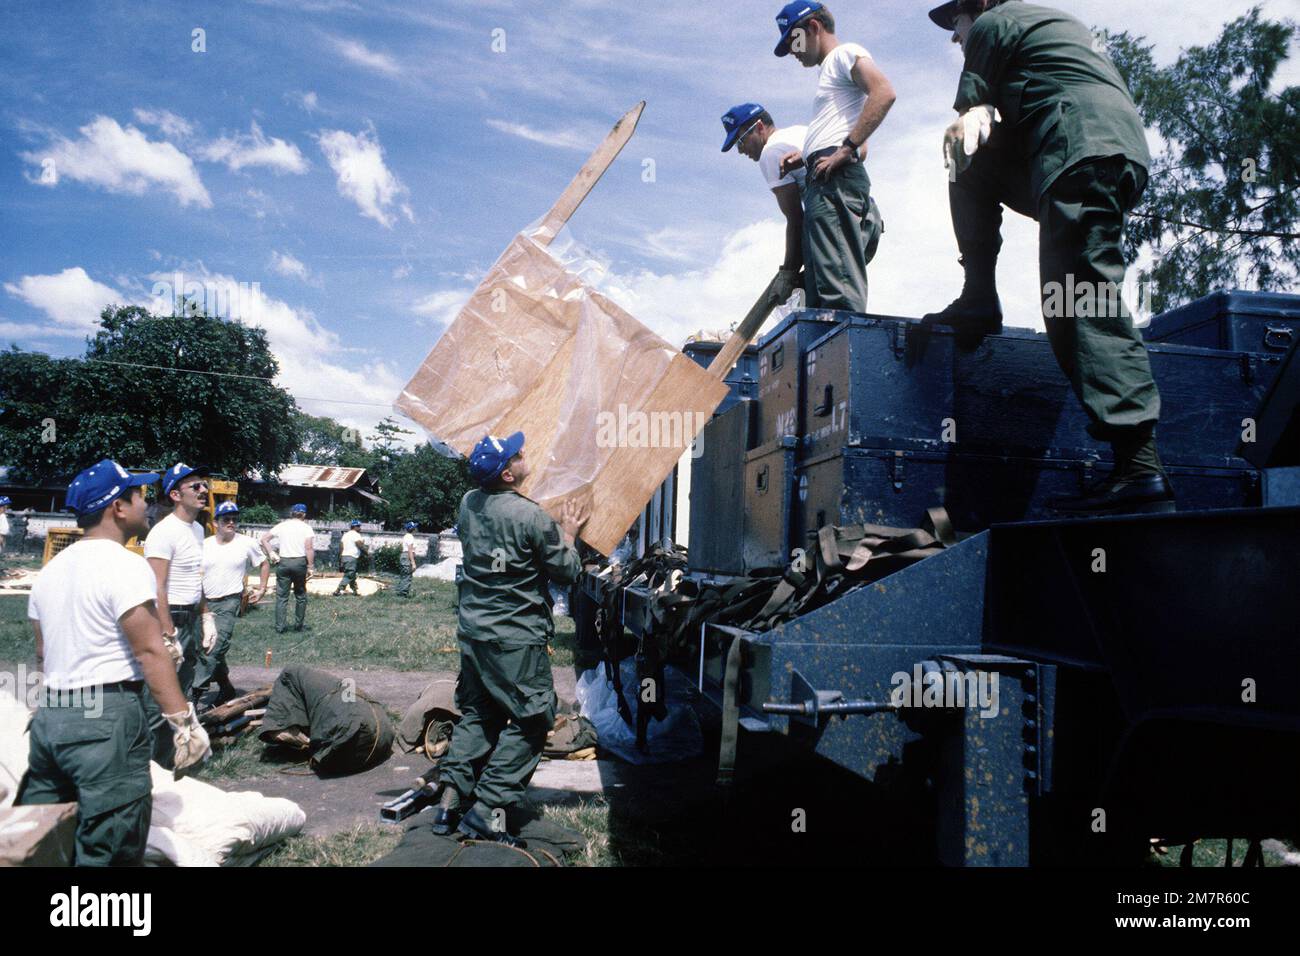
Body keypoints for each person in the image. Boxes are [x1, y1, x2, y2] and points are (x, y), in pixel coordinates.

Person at [924, 0, 1172, 515]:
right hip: (1098, 150)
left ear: (980, 7)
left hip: (1079, 152)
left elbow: (971, 110)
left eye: (957, 23)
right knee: (970, 167)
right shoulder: (1048, 28)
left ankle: (1139, 469)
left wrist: (968, 113)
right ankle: (978, 299)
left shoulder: (997, 21)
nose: (955, 37)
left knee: (1077, 303)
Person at [18, 460, 209, 865]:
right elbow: (148, 650)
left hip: (51, 715)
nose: (146, 504)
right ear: (117, 508)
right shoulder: (125, 565)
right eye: (138, 496)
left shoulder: (49, 572)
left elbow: (41, 655)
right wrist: (182, 721)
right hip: (104, 721)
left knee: (43, 842)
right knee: (110, 847)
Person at [430, 431, 587, 846]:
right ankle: (488, 809)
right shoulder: (531, 517)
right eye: (518, 455)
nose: (524, 455)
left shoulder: (468, 503)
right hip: (515, 637)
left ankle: (449, 800)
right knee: (534, 719)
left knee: (480, 714)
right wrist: (568, 534)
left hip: (474, 632)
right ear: (507, 474)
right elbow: (567, 572)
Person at [772, 1, 895, 312]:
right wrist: (806, 155)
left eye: (794, 41)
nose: (793, 52)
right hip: (821, 177)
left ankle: (843, 351)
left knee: (837, 285)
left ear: (813, 27)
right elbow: (849, 125)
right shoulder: (829, 72)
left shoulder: (844, 54)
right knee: (820, 285)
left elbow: (883, 91)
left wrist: (846, 149)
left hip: (834, 180)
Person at [143, 463, 207, 756]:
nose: (204, 490)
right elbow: (157, 586)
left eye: (203, 484)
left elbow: (198, 575)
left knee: (184, 685)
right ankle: (149, 759)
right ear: (175, 495)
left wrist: (207, 616)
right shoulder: (163, 532)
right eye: (195, 486)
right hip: (173, 619)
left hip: (191, 617)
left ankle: (176, 753)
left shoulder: (197, 528)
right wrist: (168, 635)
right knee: (160, 692)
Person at [721, 103, 808, 304]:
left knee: (825, 305)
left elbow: (796, 220)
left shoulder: (770, 153)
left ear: (759, 127)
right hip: (863, 219)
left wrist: (787, 274)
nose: (741, 151)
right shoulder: (799, 131)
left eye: (741, 141)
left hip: (836, 226)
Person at [195, 501, 268, 705]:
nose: (231, 522)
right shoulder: (204, 545)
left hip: (229, 601)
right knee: (203, 647)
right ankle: (226, 687)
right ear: (215, 522)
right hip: (204, 604)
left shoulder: (246, 543)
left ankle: (194, 694)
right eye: (226, 519)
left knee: (214, 647)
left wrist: (262, 588)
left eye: (234, 519)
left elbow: (264, 563)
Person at [260, 503, 315, 633]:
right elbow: (309, 548)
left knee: (282, 596)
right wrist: (310, 566)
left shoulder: (282, 525)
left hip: (283, 562)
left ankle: (280, 627)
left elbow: (264, 539)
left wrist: (272, 553)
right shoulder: (307, 528)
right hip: (299, 562)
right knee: (300, 595)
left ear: (292, 513)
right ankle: (299, 625)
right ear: (304, 514)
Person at [334, 518, 367, 595]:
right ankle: (338, 590)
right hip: (352, 557)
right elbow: (360, 546)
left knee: (352, 574)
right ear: (355, 527)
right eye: (359, 526)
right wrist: (367, 553)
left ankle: (355, 591)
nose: (360, 528)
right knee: (349, 575)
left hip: (344, 556)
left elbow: (341, 547)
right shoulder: (356, 535)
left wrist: (340, 558)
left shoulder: (345, 535)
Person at [397, 521, 418, 599]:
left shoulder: (406, 536)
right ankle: (403, 594)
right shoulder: (410, 537)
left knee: (404, 575)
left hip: (404, 555)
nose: (416, 528)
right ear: (413, 529)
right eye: (415, 527)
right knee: (407, 575)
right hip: (407, 556)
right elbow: (410, 550)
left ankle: (400, 591)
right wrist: (413, 562)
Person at [0, 495, 11, 572]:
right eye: (5, 506)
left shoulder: (2, 515)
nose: (6, 508)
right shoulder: (2, 516)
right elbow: (3, 531)